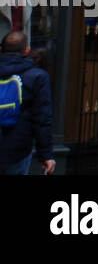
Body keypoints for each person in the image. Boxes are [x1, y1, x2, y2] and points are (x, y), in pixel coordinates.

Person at [0, 31, 55, 175]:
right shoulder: (37, 76)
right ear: (26, 50)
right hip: (18, 149)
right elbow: (42, 119)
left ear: (1, 50)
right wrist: (46, 154)